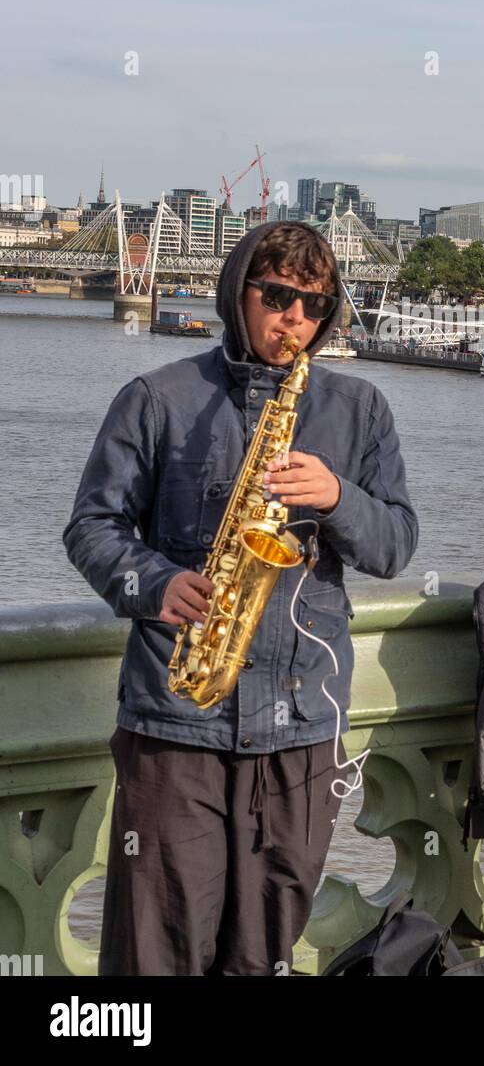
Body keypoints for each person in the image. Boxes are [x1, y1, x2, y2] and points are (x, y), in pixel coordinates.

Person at [64, 221, 419, 976]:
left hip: (299, 731)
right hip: (176, 725)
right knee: (154, 956)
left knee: (261, 958)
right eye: (279, 295)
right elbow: (93, 528)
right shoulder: (156, 398)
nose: (295, 318)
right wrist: (155, 584)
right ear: (239, 292)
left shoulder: (360, 410)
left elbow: (394, 546)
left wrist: (336, 497)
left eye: (315, 305)